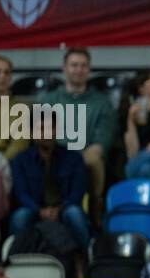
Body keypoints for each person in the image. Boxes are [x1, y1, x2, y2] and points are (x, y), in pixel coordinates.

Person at [36, 47, 115, 222]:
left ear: (89, 69)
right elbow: (40, 136)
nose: (79, 70)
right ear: (64, 69)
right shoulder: (48, 100)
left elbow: (101, 143)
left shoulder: (102, 103)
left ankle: (95, 211)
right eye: (74, 65)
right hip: (52, 156)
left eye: (83, 65)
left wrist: (73, 160)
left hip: (85, 159)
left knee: (94, 159)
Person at [8, 114, 89, 249]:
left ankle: (87, 256)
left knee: (74, 213)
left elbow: (77, 191)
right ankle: (14, 257)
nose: (47, 133)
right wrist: (40, 211)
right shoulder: (21, 160)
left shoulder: (74, 157)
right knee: (20, 216)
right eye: (41, 129)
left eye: (51, 128)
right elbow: (21, 193)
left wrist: (59, 209)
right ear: (31, 133)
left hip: (64, 208)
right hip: (34, 209)